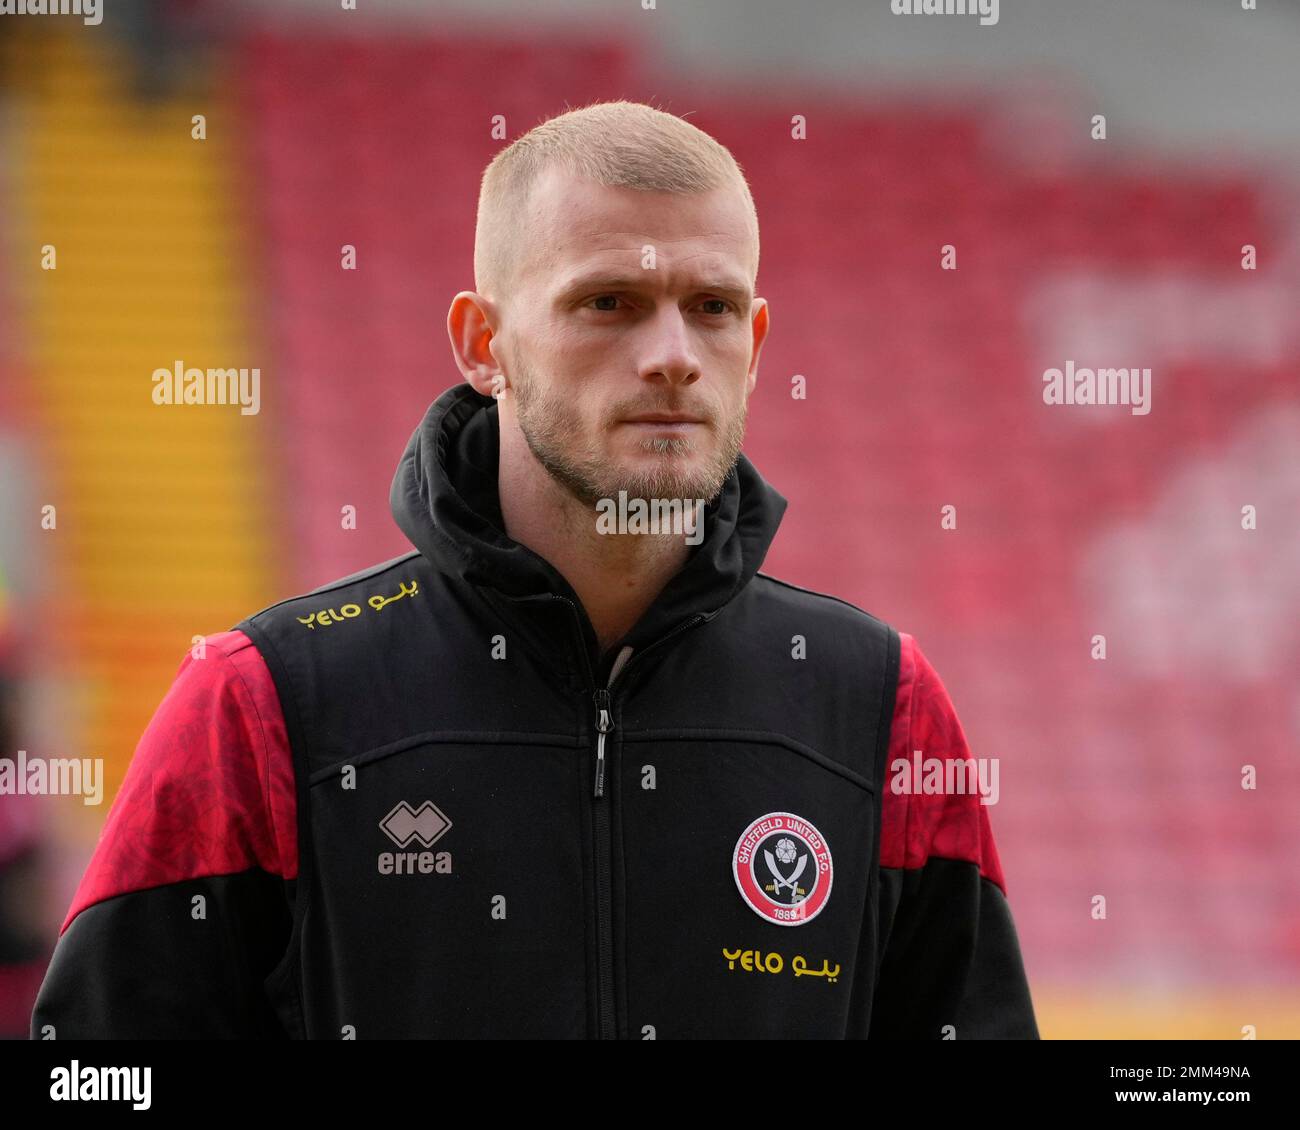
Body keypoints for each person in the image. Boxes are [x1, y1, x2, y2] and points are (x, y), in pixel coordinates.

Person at [31, 99, 1037, 1039]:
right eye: (610, 301)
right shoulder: (264, 702)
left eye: (714, 306)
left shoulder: (878, 703)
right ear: (484, 344)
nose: (674, 354)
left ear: (757, 342)